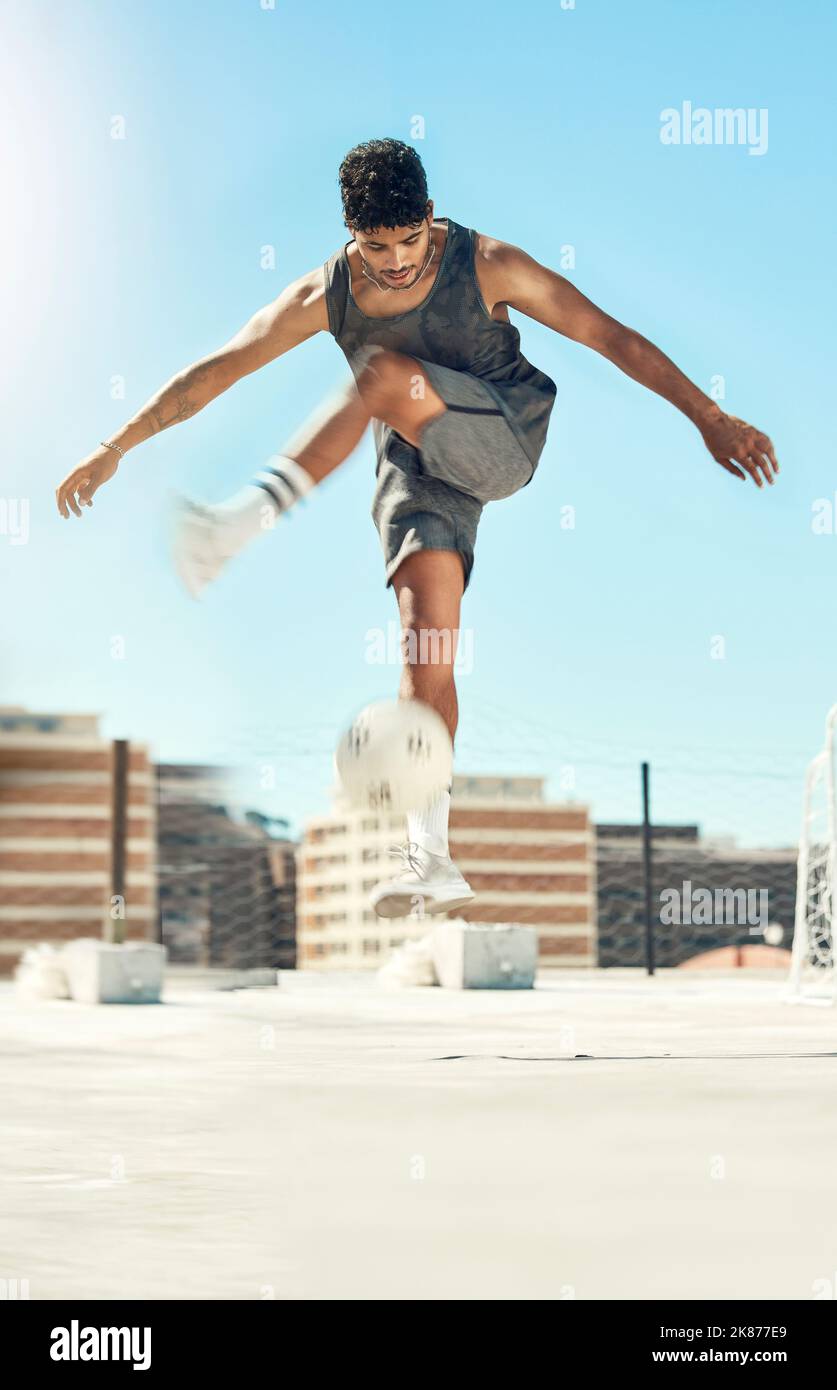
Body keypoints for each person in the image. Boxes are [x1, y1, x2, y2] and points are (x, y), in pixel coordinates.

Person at [55, 137, 780, 920]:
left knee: (379, 377)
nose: (396, 262)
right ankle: (428, 855)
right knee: (422, 644)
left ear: (431, 219)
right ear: (349, 235)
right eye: (375, 248)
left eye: (408, 242)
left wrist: (709, 417)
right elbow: (218, 369)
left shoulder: (488, 263)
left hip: (498, 435)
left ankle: (238, 526)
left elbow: (610, 337)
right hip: (415, 467)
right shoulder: (322, 294)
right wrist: (112, 447)